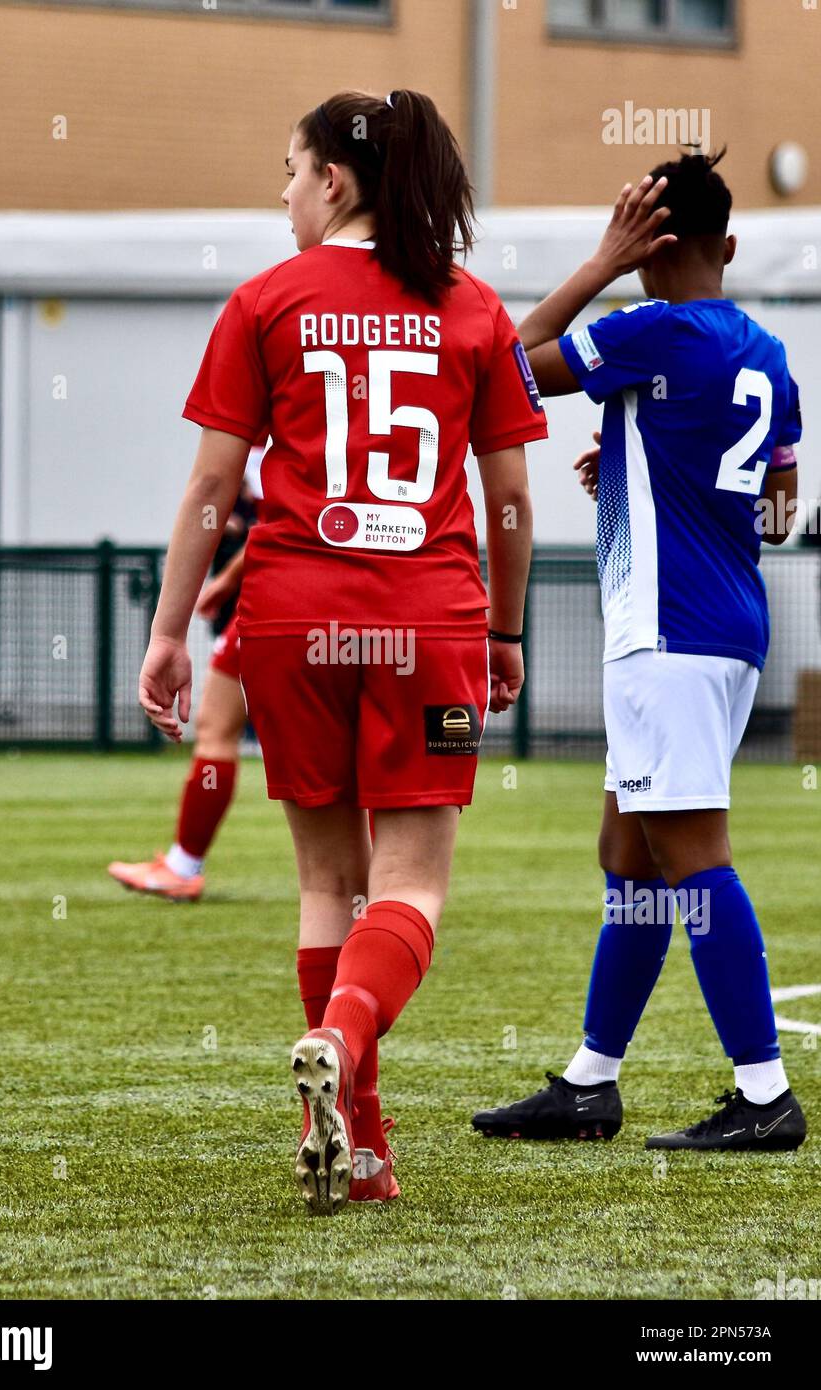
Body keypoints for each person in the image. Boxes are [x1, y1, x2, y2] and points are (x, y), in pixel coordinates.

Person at [138, 89, 547, 1213]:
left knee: (328, 885)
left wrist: (171, 631)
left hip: (289, 617)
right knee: (408, 887)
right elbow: (509, 499)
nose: (280, 195)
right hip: (427, 624)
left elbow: (212, 486)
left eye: (287, 172)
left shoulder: (264, 300)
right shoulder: (471, 308)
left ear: (335, 181)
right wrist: (503, 631)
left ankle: (362, 1149)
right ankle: (343, 1039)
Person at [473, 152, 806, 1152]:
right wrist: (635, 460)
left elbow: (501, 364)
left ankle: (762, 1096)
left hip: (667, 632)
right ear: (728, 245)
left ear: (646, 247)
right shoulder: (763, 348)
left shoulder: (647, 327)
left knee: (691, 860)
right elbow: (777, 509)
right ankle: (588, 1084)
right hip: (720, 626)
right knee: (628, 853)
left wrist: (598, 263)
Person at [107, 449, 266, 903]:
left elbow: (274, 524)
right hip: (381, 594)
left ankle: (184, 865)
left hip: (285, 595)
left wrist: (222, 583)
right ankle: (383, 885)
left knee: (216, 728)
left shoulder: (279, 428)